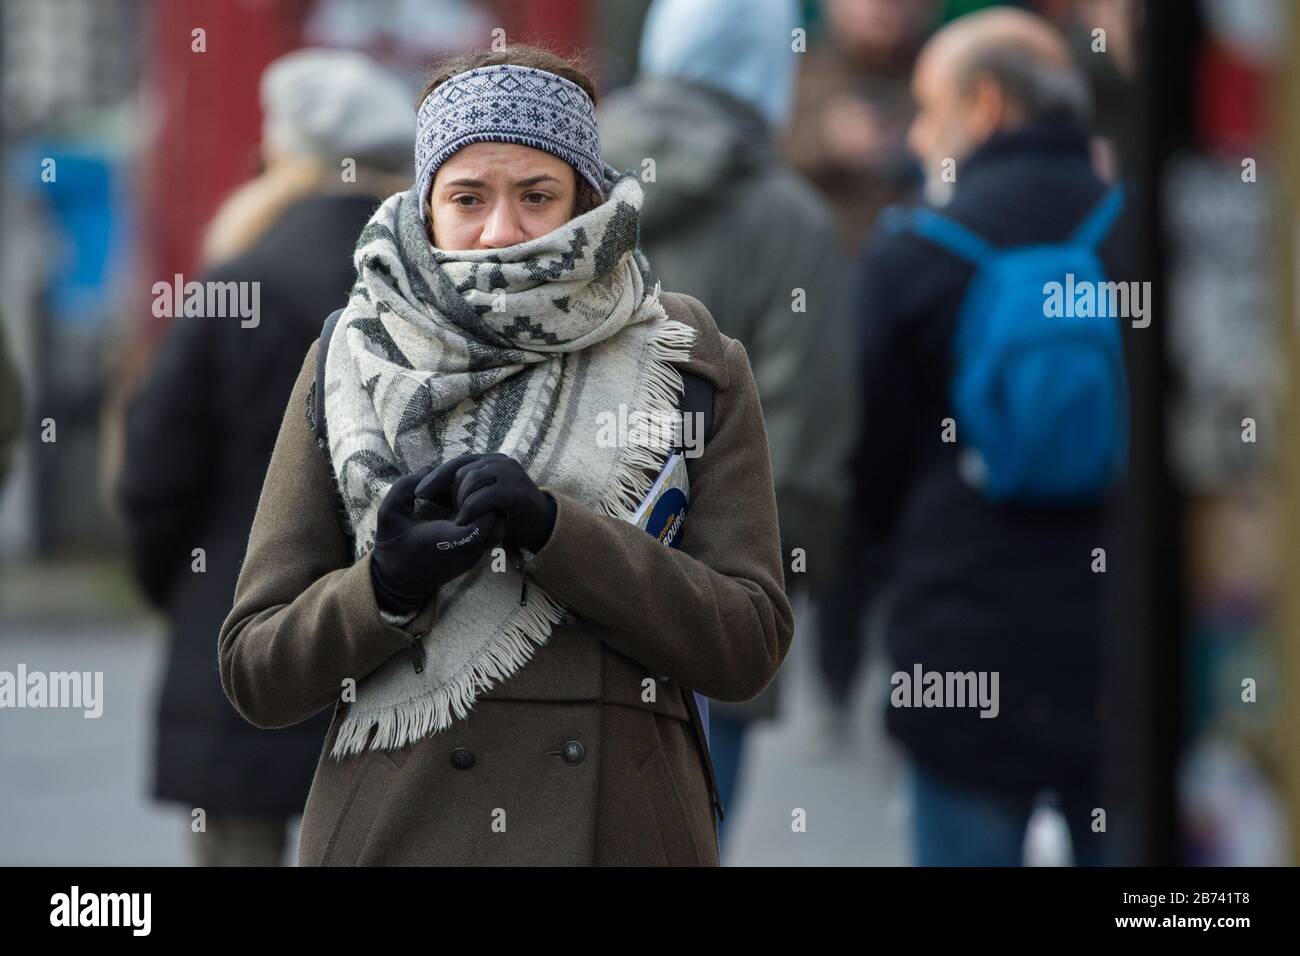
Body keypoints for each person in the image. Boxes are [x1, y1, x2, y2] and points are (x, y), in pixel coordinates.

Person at [219, 45, 793, 867]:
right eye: (467, 197)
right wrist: (384, 588)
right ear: (425, 206)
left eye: (536, 196)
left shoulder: (687, 358)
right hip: (398, 829)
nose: (500, 231)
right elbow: (257, 671)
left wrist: (558, 534)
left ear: (585, 198)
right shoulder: (352, 357)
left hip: (618, 830)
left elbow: (746, 645)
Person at [821, 8, 1133, 866]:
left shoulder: (913, 252)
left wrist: (848, 624)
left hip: (963, 646)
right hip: (1123, 645)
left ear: (986, 103)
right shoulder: (1140, 231)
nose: (918, 137)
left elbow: (869, 475)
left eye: (929, 109)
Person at [116, 48, 414, 866]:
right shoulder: (429, 290)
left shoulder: (238, 280)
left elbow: (153, 477)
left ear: (286, 157)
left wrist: (183, 590)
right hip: (398, 655)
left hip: (237, 651)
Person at [599, 0, 854, 847]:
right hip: (715, 595)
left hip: (562, 567)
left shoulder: (571, 179)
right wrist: (777, 578)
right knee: (689, 836)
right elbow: (808, 424)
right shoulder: (792, 219)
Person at [783, 0, 937, 251]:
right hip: (820, 254)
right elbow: (760, 160)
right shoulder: (798, 69)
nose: (886, 7)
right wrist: (825, 141)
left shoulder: (942, 72)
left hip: (915, 254)